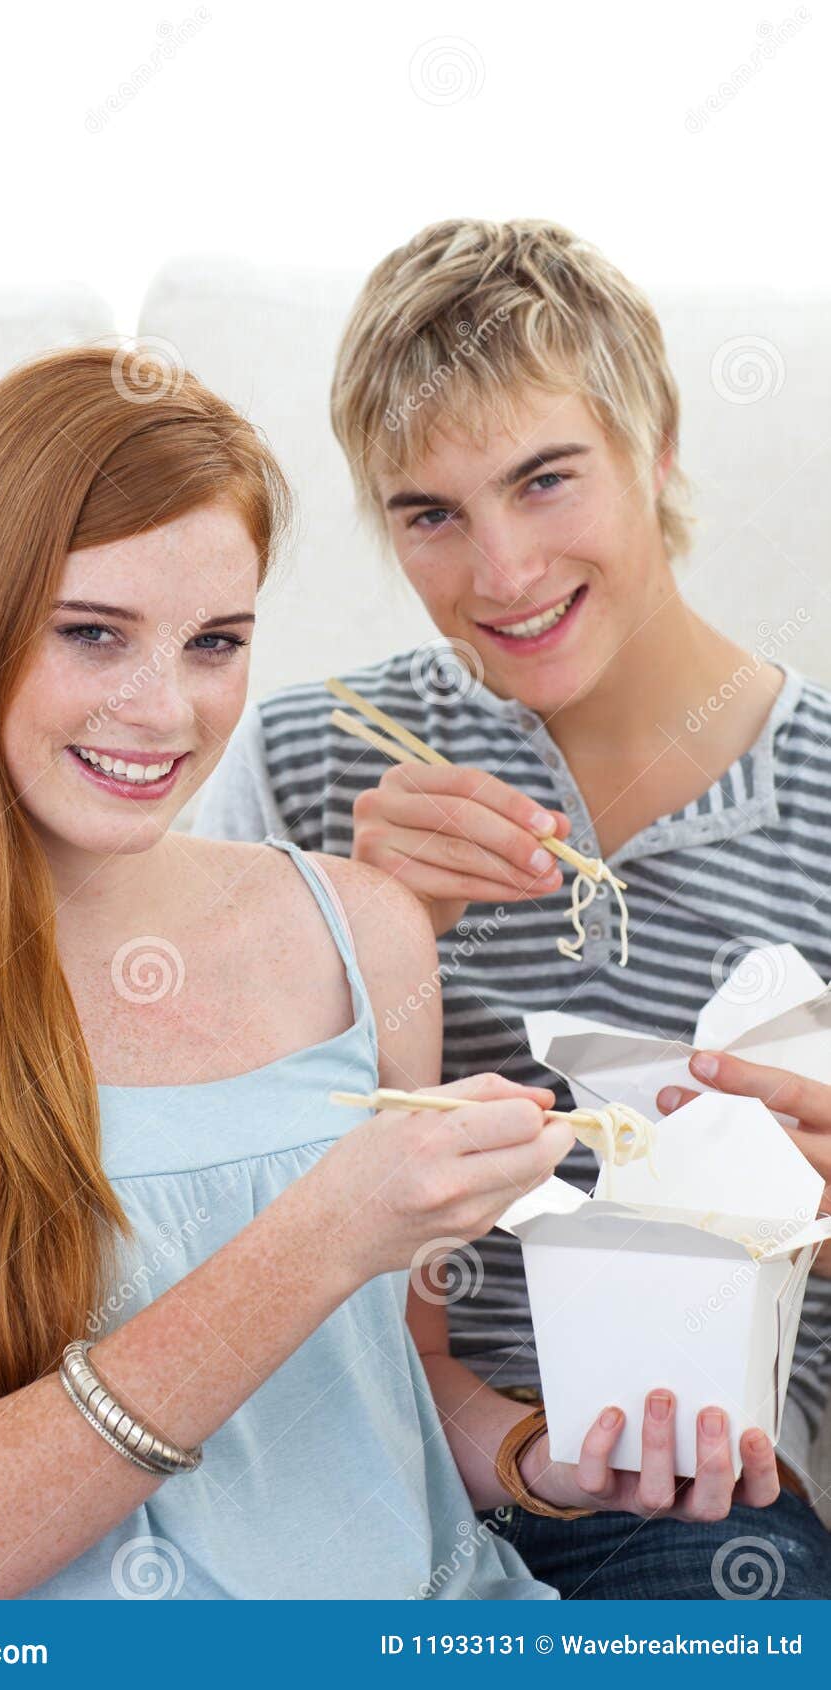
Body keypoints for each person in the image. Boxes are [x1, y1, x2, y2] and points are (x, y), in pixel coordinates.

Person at [0, 346, 760, 1604]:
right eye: (93, 633)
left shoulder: (359, 930)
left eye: (213, 643)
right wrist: (323, 1233)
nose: (164, 710)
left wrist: (539, 1457)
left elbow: (374, 1405)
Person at [191, 218, 831, 1599]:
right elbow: (175, 1161)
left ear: (651, 445)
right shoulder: (308, 755)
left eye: (542, 480)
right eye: (428, 513)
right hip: (334, 1454)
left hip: (673, 1495)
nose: (500, 572)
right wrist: (356, 936)